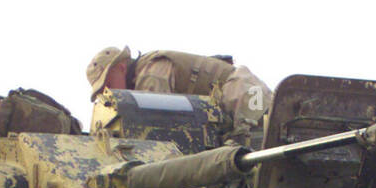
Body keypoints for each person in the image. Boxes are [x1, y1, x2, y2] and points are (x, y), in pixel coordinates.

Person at [86, 46, 272, 137]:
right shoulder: (140, 77)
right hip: (239, 99)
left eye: (106, 84)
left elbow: (154, 122)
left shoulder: (151, 72)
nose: (107, 93)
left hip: (244, 94)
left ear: (120, 67)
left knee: (246, 148)